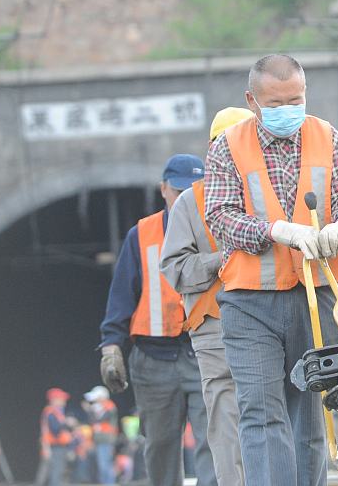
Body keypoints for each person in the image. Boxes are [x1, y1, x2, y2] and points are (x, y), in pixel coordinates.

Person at [204, 54, 338, 486]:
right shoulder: (228, 146)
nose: (287, 111)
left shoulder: (328, 137)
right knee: (261, 412)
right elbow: (220, 215)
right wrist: (276, 230)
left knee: (307, 412)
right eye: (275, 103)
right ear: (252, 100)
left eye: (296, 99)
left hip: (314, 296)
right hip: (250, 303)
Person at [98, 155, 217, 486]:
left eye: (193, 191)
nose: (185, 199)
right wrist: (112, 347)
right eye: (178, 191)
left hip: (203, 350)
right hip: (153, 359)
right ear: (163, 189)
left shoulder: (216, 228)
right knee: (160, 444)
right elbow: (121, 295)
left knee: (213, 439)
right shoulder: (142, 234)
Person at [161, 107, 254, 486]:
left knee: (278, 406)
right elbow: (174, 268)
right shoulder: (189, 203)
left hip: (272, 315)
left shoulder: (272, 192)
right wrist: (221, 261)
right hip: (214, 324)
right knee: (226, 413)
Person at [83, 387, 118, 485]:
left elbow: (100, 419)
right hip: (99, 440)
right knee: (101, 465)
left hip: (106, 439)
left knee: (105, 465)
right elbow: (92, 422)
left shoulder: (110, 407)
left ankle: (109, 484)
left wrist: (89, 410)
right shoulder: (99, 408)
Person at [39, 389, 75, 486]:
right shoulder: (50, 412)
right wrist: (66, 423)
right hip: (54, 446)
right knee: (55, 472)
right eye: (61, 398)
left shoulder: (58, 412)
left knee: (55, 471)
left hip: (58, 446)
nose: (64, 400)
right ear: (54, 400)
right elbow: (55, 429)